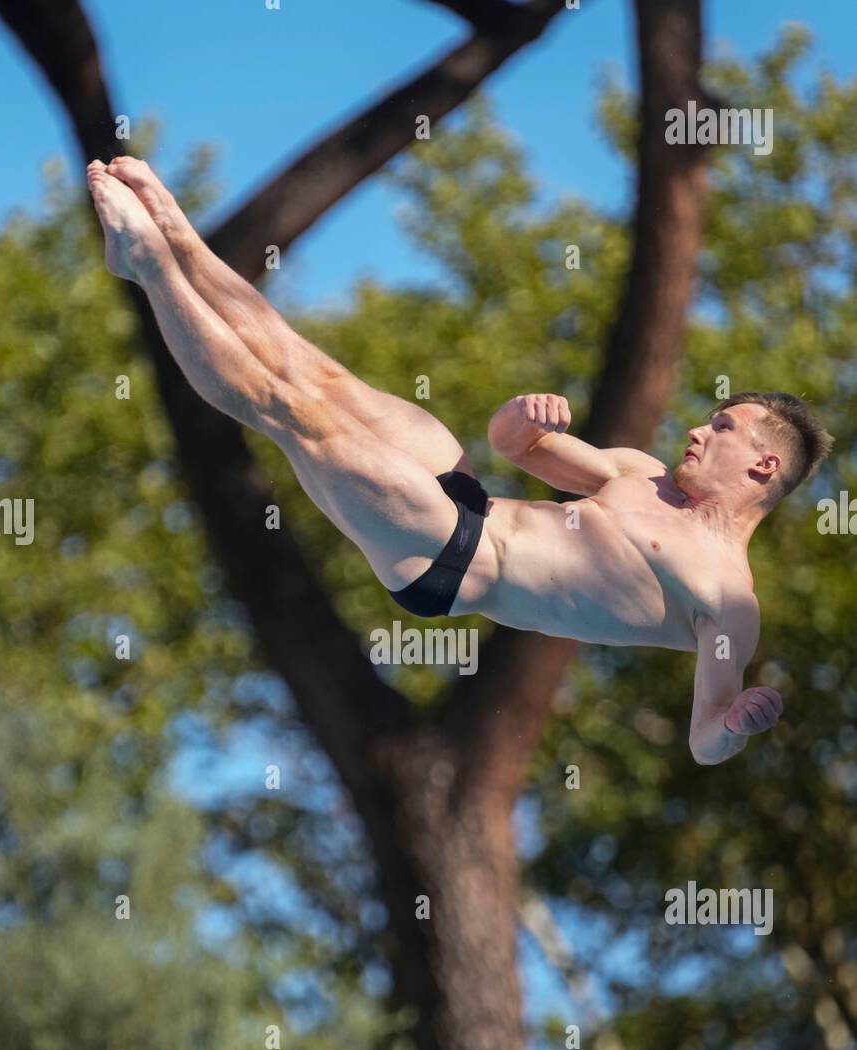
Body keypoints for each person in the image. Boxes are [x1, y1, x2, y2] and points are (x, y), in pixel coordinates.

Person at [86, 157, 833, 766]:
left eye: (723, 427)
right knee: (315, 374)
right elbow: (515, 447)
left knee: (289, 409)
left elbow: (703, 740)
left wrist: (736, 721)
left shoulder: (728, 600)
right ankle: (178, 240)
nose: (699, 433)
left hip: (446, 554)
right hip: (464, 490)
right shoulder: (641, 471)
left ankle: (151, 269)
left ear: (764, 467)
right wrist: (524, 417)